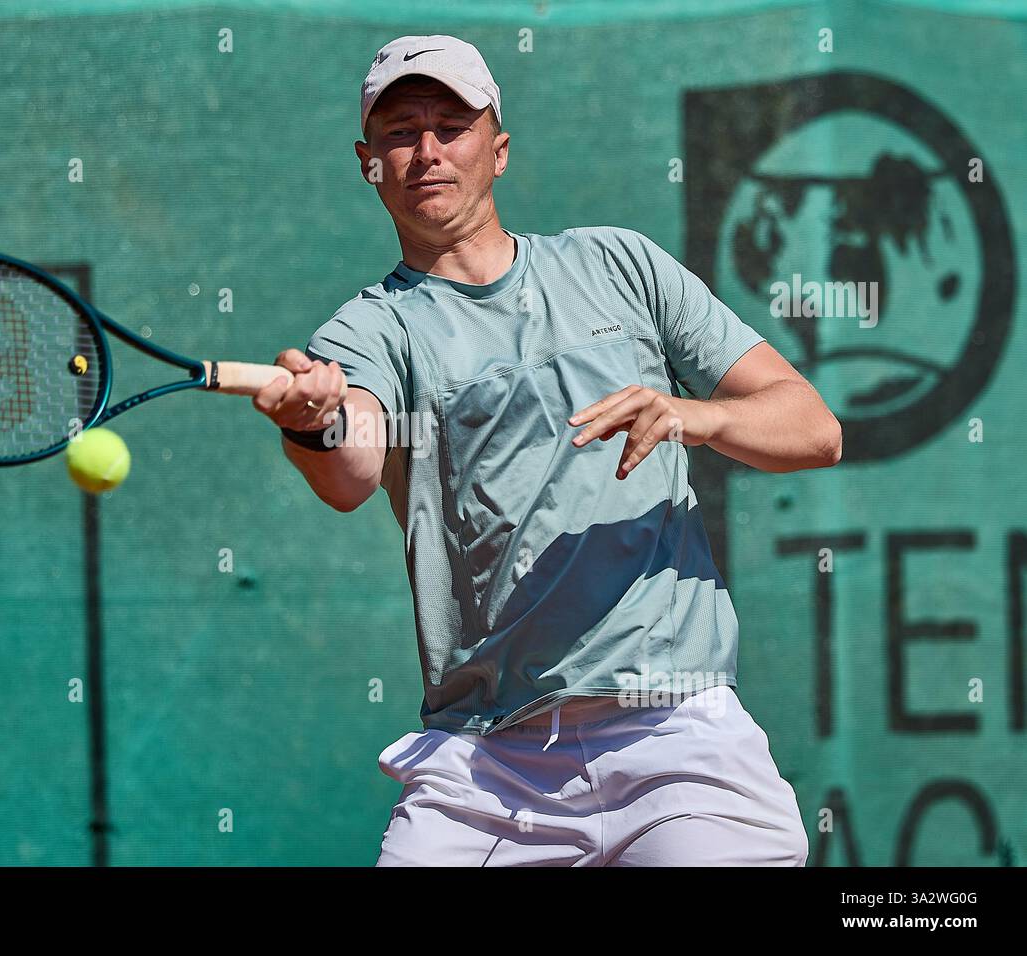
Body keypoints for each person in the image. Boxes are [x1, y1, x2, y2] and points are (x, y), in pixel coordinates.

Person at [253, 34, 839, 866]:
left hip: (678, 736)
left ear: (499, 148)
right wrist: (313, 421)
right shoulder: (368, 330)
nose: (426, 150)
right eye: (400, 131)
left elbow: (813, 427)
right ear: (367, 162)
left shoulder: (621, 266)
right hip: (489, 760)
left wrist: (689, 415)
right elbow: (349, 471)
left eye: (452, 126)